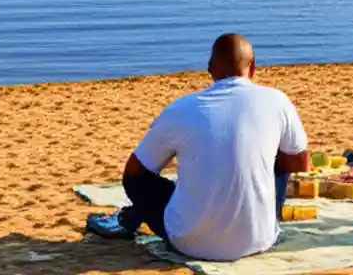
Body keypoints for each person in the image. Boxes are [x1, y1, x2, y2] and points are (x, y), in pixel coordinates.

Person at [86, 33, 312, 261]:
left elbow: (133, 174)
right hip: (258, 240)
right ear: (253, 67)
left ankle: (130, 218)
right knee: (283, 163)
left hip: (188, 242)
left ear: (210, 69)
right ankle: (260, 217)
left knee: (146, 182)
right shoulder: (277, 101)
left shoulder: (182, 109)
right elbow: (301, 162)